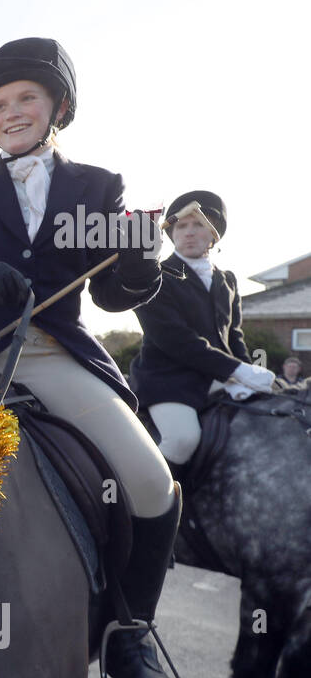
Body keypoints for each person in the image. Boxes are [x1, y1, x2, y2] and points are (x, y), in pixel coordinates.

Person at [0, 37, 187, 678]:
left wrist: (140, 266)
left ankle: (130, 638)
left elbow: (116, 293)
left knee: (151, 482)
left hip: (55, 354)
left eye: (26, 97)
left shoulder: (98, 186)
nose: (11, 110)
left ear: (59, 107)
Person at [129, 192, 275, 475]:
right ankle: (150, 509)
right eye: (181, 227)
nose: (188, 233)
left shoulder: (227, 280)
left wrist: (248, 370)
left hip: (216, 378)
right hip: (169, 381)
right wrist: (236, 370)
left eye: (197, 225)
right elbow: (174, 339)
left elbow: (233, 336)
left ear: (214, 233)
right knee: (182, 440)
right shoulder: (156, 275)